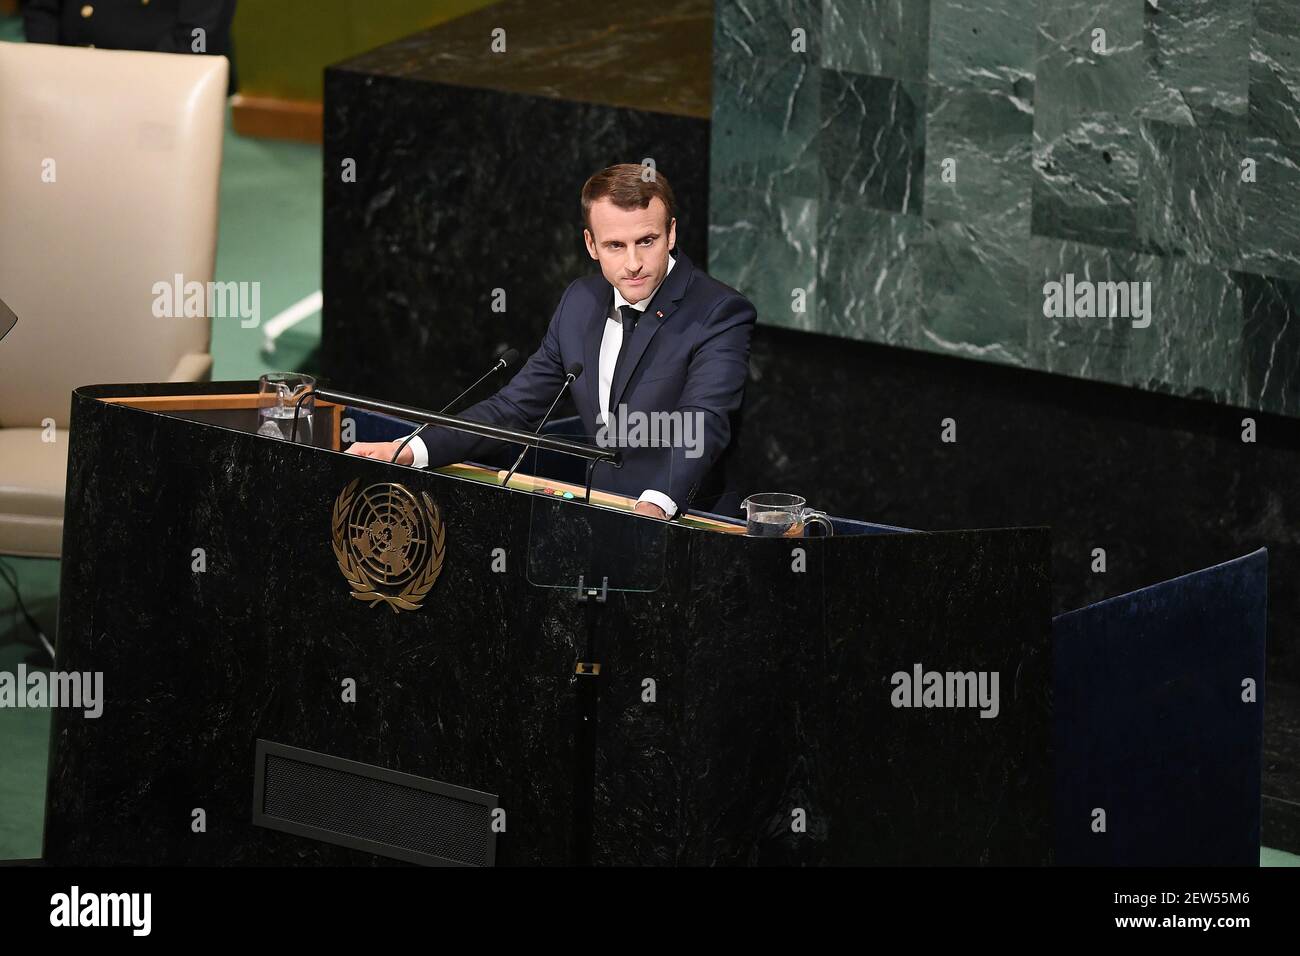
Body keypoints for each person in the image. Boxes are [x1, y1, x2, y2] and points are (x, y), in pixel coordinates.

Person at [346, 164, 756, 520]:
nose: (632, 263)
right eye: (615, 245)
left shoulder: (719, 312)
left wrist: (656, 504)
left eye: (645, 241)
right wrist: (411, 449)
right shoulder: (580, 302)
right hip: (600, 515)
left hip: (687, 527)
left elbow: (702, 421)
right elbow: (513, 409)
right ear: (591, 245)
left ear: (670, 233)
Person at [22, 0, 237, 92]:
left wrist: (133, 85)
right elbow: (41, 10)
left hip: (162, 93)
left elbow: (200, 34)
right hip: (69, 82)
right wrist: (46, 70)